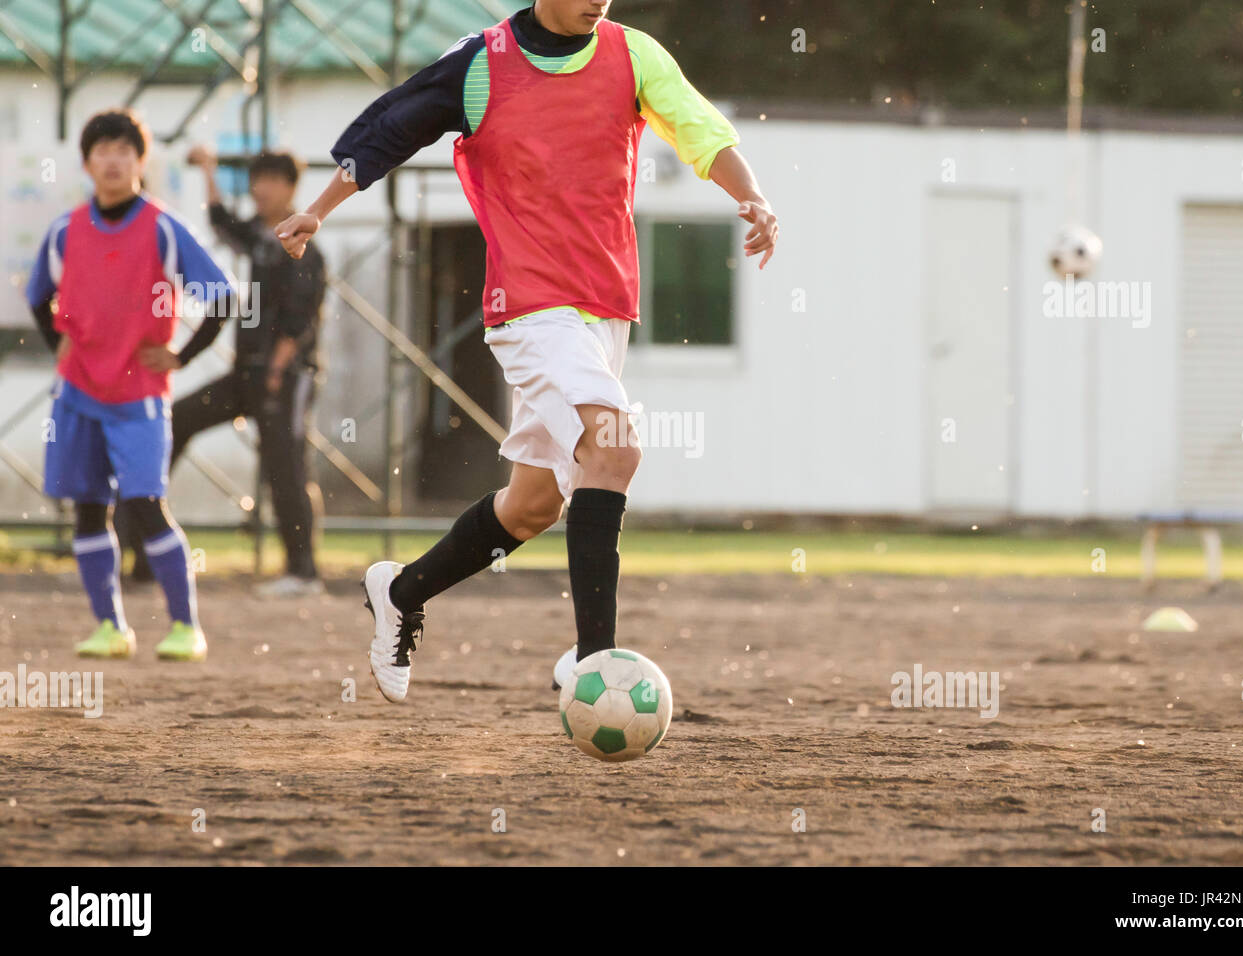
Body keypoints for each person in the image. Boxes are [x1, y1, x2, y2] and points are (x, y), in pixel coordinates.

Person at [276, 0, 779, 702]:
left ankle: (401, 590)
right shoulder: (482, 62)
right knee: (615, 447)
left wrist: (750, 196)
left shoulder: (633, 55)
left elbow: (699, 129)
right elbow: (395, 125)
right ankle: (594, 664)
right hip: (531, 310)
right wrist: (319, 208)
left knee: (532, 506)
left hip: (605, 311)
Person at [27, 108, 237, 661]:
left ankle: (185, 627)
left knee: (145, 503)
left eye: (125, 150)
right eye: (103, 151)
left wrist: (179, 358)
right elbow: (35, 297)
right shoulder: (65, 230)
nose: (114, 160)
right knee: (88, 507)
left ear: (140, 161)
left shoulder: (163, 227)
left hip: (139, 397)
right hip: (76, 395)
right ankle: (110, 627)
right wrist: (59, 346)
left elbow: (221, 298)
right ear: (87, 163)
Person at [124, 147, 328, 597]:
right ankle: (139, 553)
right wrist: (210, 172)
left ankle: (303, 572)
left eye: (272, 180)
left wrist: (276, 371)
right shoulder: (259, 236)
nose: (261, 188)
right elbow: (222, 222)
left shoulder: (304, 248)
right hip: (246, 374)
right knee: (175, 421)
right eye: (257, 179)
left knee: (286, 468)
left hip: (286, 376)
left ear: (291, 187)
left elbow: (300, 318)